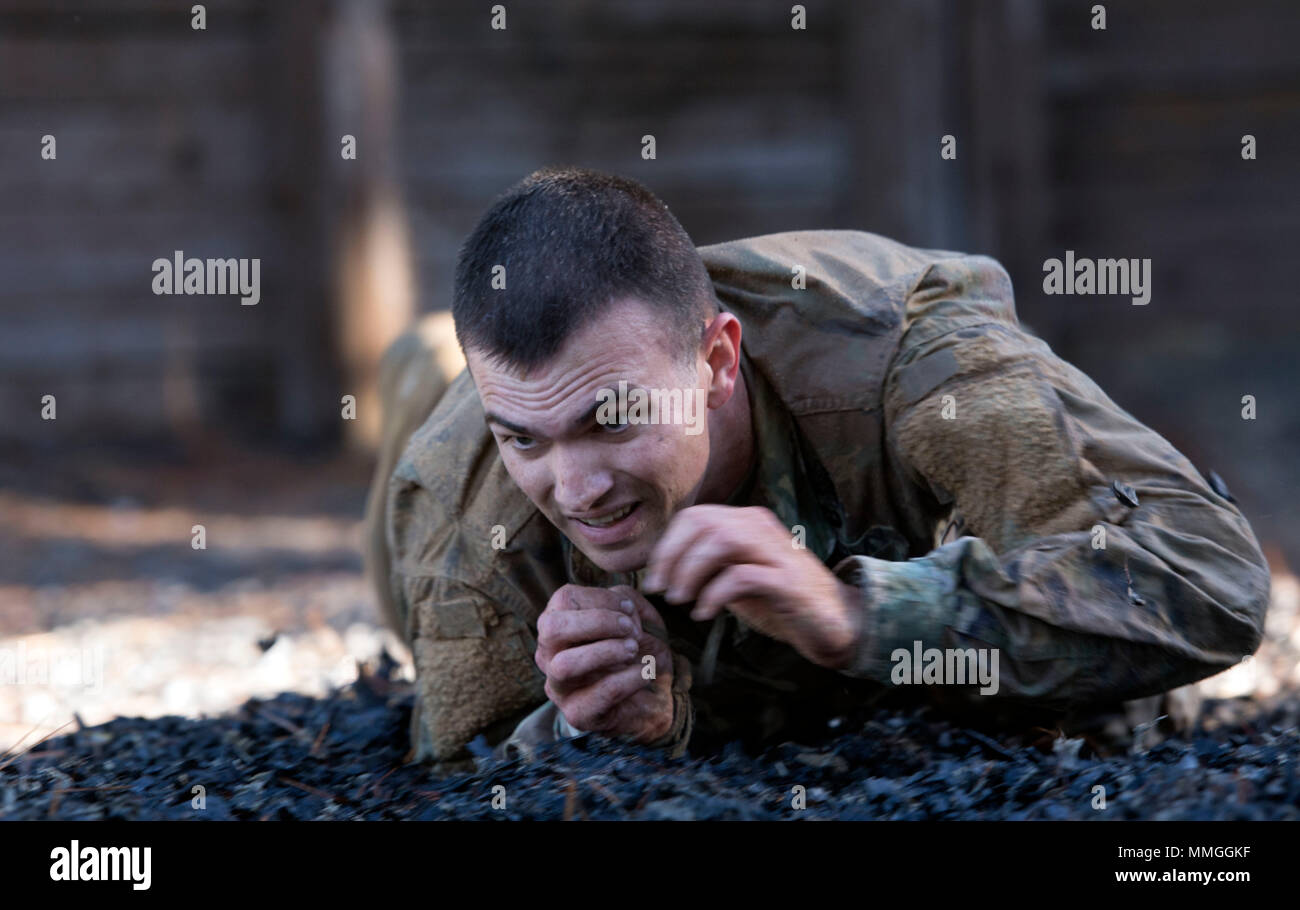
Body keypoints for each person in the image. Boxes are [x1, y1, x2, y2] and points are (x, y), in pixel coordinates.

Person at [370, 166, 1270, 769]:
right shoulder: (467, 497)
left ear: (717, 365)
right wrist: (596, 724)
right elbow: (458, 773)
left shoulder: (921, 371)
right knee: (433, 481)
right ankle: (430, 371)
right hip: (438, 440)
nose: (575, 489)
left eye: (613, 418)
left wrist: (860, 617)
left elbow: (1212, 578)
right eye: (528, 436)